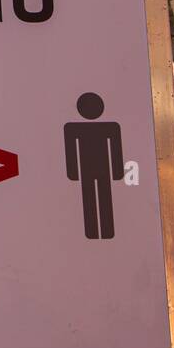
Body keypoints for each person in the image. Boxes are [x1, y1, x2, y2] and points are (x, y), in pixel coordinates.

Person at [63, 92, 124, 240]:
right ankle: (95, 231)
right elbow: (71, 151)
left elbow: (115, 149)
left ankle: (104, 230)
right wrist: (73, 173)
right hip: (91, 170)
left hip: (96, 170)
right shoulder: (72, 128)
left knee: (102, 197)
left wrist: (117, 172)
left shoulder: (111, 127)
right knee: (92, 198)